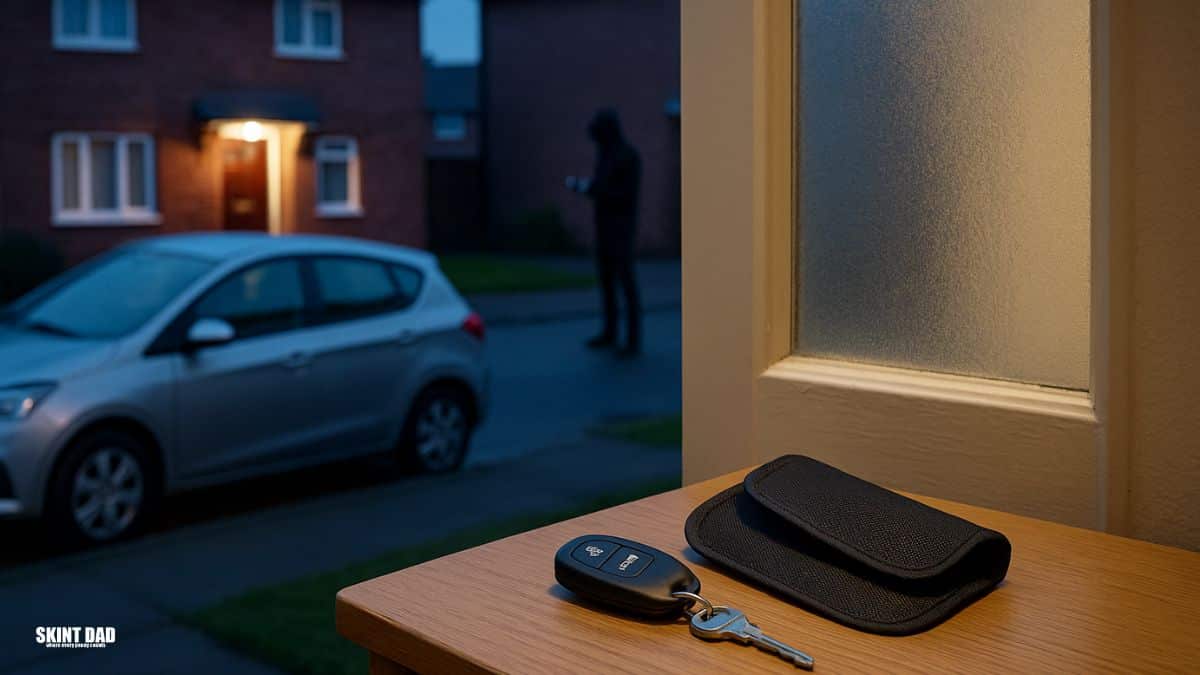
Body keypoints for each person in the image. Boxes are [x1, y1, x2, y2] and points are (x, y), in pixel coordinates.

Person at [567, 109, 642, 357]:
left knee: (626, 284)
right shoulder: (605, 155)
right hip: (603, 228)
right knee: (607, 283)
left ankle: (632, 341)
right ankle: (609, 333)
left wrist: (596, 191)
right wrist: (584, 187)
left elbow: (624, 195)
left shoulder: (628, 157)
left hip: (621, 231)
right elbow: (601, 188)